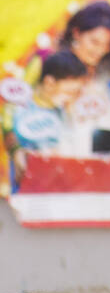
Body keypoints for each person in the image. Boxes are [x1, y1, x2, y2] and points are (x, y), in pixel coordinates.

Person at [1, 51, 87, 191]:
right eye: (70, 92)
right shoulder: (19, 107)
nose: (73, 98)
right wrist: (17, 153)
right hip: (19, 193)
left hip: (56, 191)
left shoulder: (64, 113)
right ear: (49, 83)